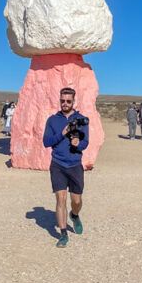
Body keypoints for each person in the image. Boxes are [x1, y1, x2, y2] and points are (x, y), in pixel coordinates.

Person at [42, 87, 89, 248]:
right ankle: (63, 234)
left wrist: (79, 144)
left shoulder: (81, 119)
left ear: (73, 101)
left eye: (68, 101)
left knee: (76, 200)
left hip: (75, 164)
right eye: (62, 100)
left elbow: (86, 142)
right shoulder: (52, 120)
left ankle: (74, 215)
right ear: (59, 100)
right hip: (58, 165)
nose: (65, 103)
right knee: (60, 199)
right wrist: (62, 133)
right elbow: (46, 142)